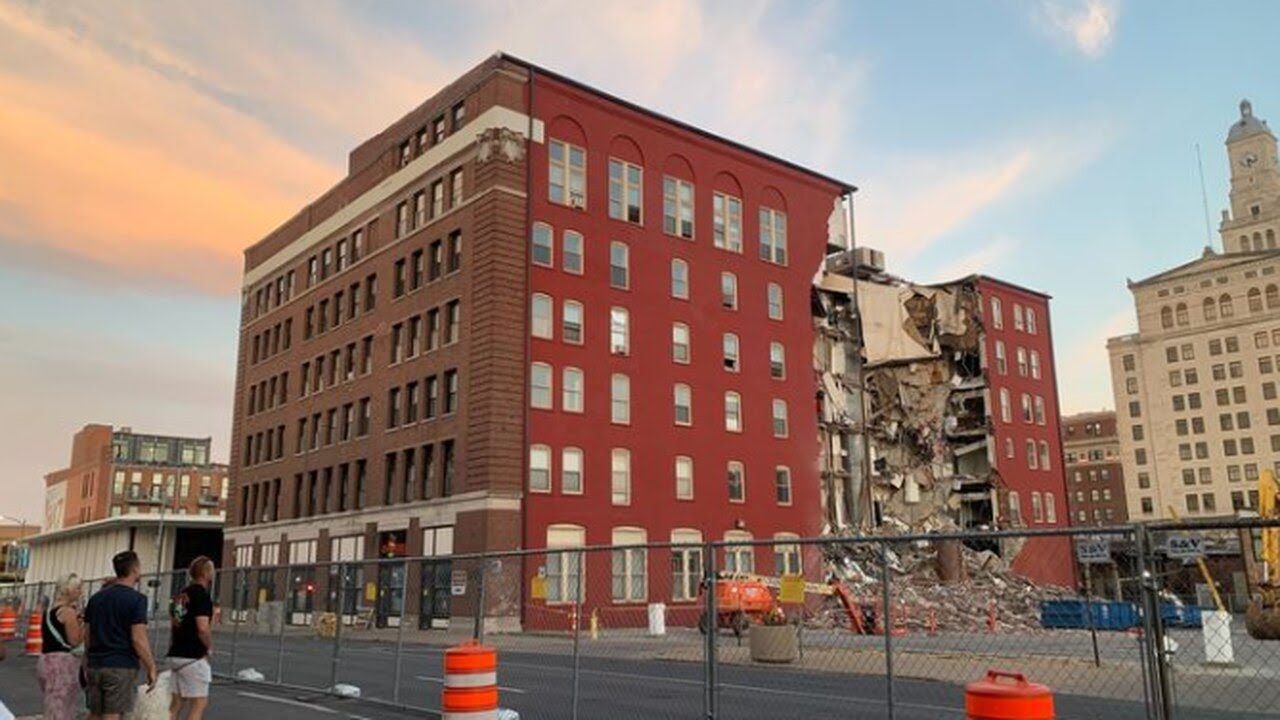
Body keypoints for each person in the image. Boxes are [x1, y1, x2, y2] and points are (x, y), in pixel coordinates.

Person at [84, 550, 158, 720]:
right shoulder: (137, 599)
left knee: (95, 713)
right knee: (113, 714)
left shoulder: (95, 599)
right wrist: (151, 666)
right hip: (120, 665)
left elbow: (88, 634)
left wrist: (87, 661)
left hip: (96, 663)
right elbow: (138, 638)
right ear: (134, 570)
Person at [167, 557, 215, 720]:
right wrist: (209, 646)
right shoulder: (202, 596)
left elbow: (175, 622)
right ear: (206, 573)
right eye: (212, 569)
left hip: (176, 652)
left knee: (176, 703)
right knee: (199, 704)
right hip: (193, 656)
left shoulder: (180, 595)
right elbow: (202, 628)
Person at [37, 573, 86, 720]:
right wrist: (84, 625)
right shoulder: (68, 612)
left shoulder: (48, 613)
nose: (80, 592)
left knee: (52, 705)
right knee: (62, 708)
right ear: (68, 590)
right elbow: (75, 641)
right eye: (78, 588)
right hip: (62, 664)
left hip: (45, 660)